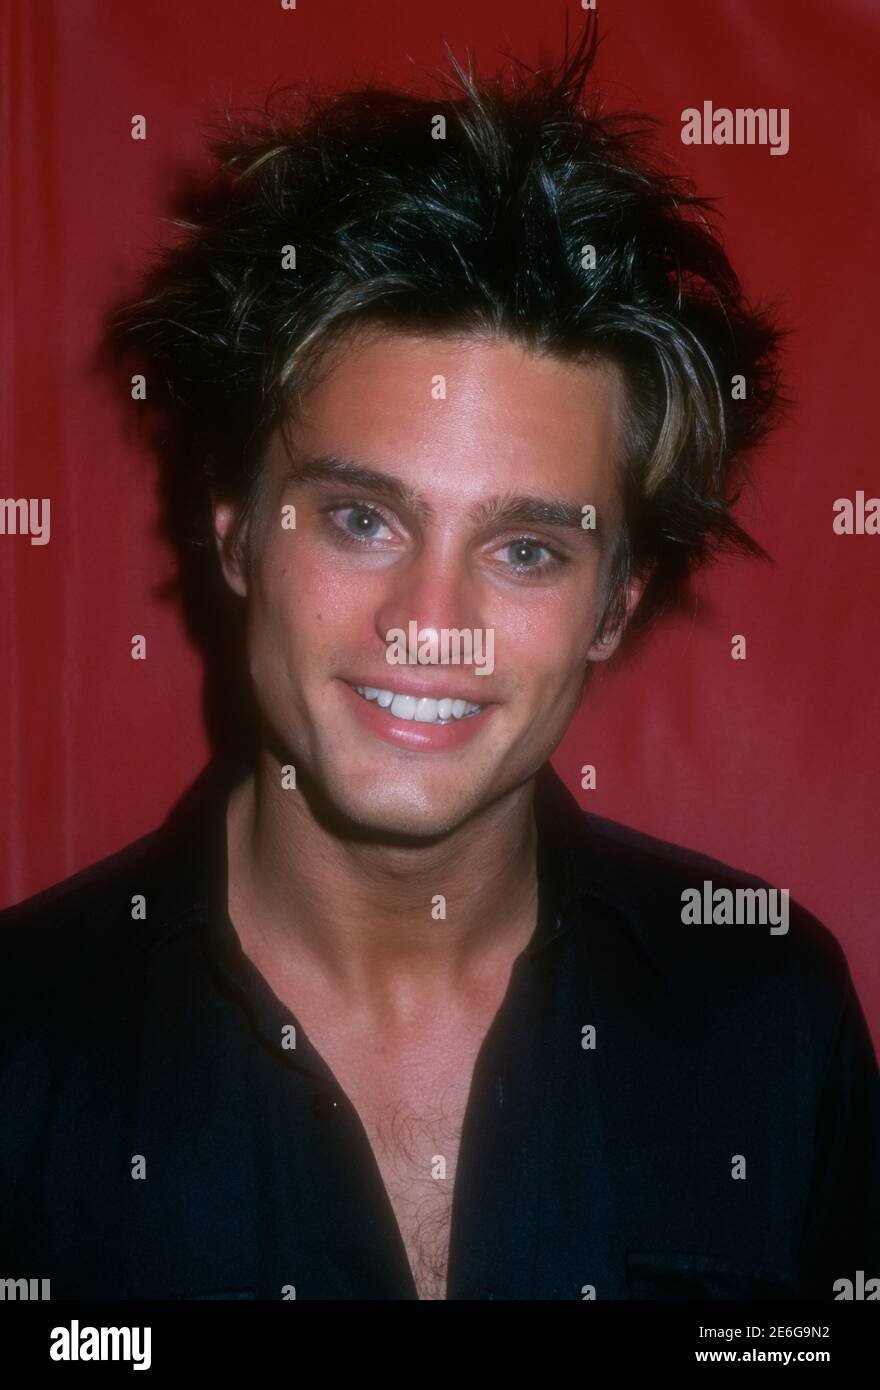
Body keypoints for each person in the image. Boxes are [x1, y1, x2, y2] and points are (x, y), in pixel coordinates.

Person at [1, 22, 877, 1301]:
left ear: (613, 604)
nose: (430, 622)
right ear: (236, 531)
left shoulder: (770, 1018)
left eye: (525, 548)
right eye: (362, 519)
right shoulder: (20, 1049)